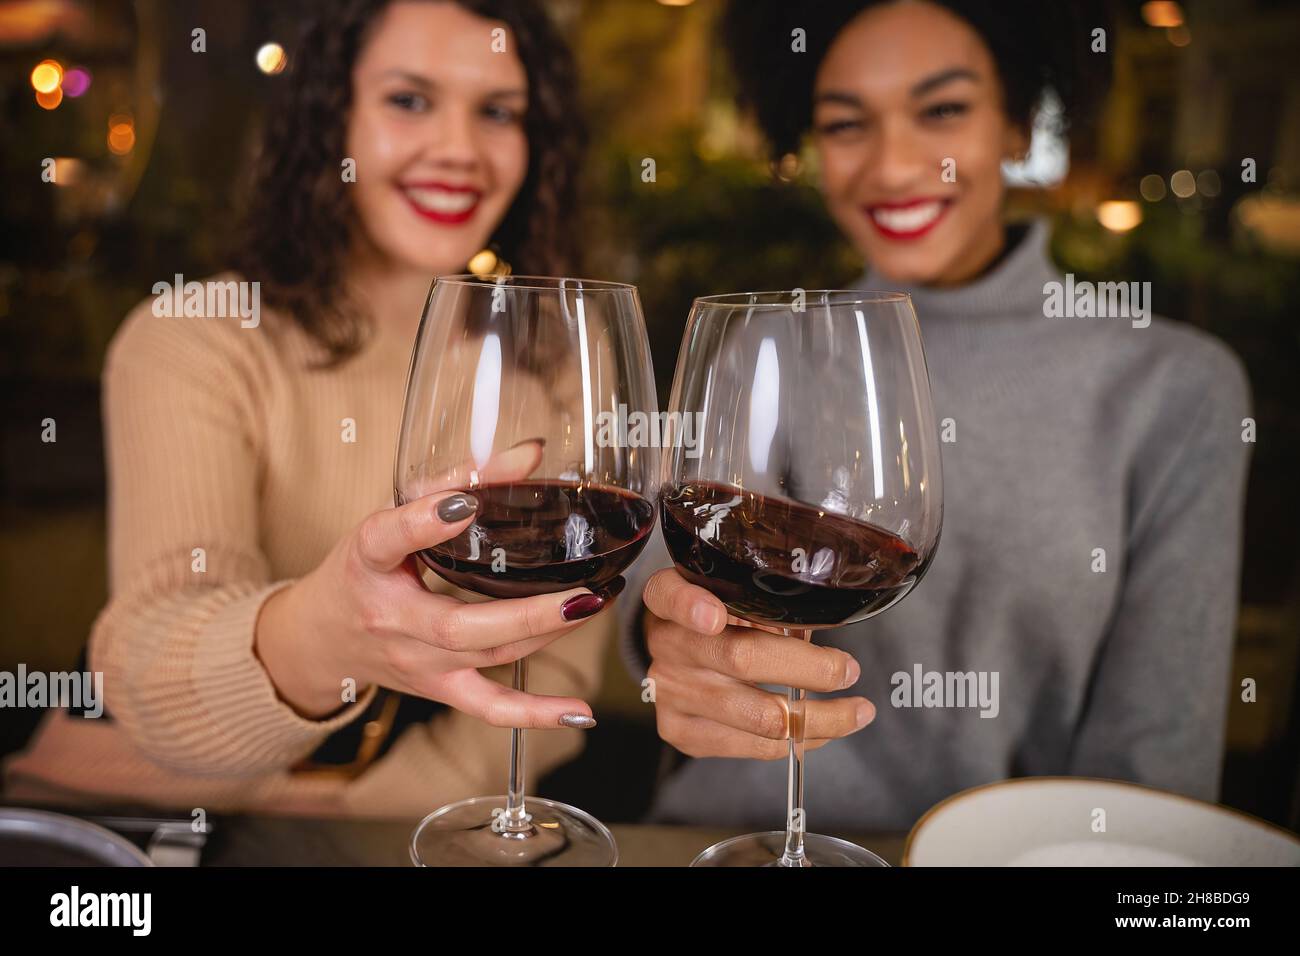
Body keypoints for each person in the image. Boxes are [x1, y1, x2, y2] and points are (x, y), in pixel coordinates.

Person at [622, 0, 1254, 830]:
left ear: (1020, 125)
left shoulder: (1174, 387)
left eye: (943, 110)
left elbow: (1154, 768)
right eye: (847, 125)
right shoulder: (760, 346)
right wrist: (676, 648)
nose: (892, 165)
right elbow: (653, 611)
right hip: (735, 837)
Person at [4, 0, 615, 818]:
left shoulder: (569, 357)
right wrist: (324, 631)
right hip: (122, 817)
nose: (460, 149)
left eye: (498, 111)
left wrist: (373, 829)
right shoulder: (195, 339)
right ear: (331, 118)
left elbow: (559, 678)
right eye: (408, 99)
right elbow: (149, 664)